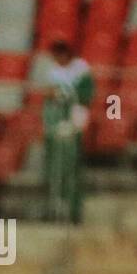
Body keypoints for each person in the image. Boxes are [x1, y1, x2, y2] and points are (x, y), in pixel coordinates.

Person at [40, 41, 93, 223]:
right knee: (54, 169)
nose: (58, 59)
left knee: (71, 170)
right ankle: (53, 210)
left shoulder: (81, 69)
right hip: (56, 126)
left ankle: (73, 212)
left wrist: (74, 125)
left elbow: (85, 98)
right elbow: (48, 96)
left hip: (73, 125)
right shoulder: (52, 71)